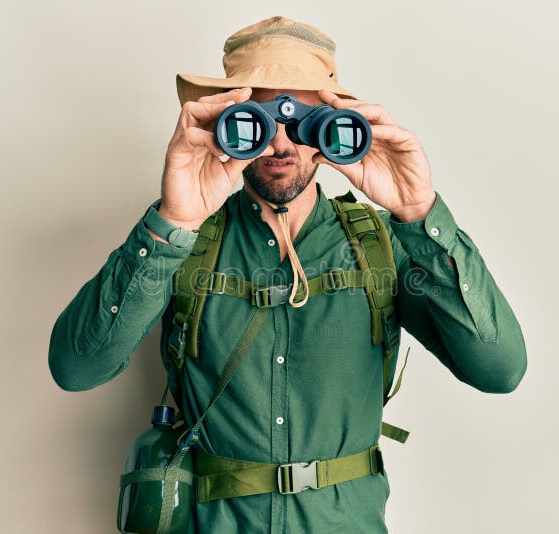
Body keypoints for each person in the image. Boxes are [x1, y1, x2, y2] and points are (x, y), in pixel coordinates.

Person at [48, 15, 527, 533]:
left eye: (303, 122)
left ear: (333, 125)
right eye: (257, 119)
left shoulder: (379, 247)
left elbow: (500, 370)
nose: (280, 144)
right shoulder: (186, 244)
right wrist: (171, 223)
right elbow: (76, 369)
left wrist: (419, 214)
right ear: (224, 121)